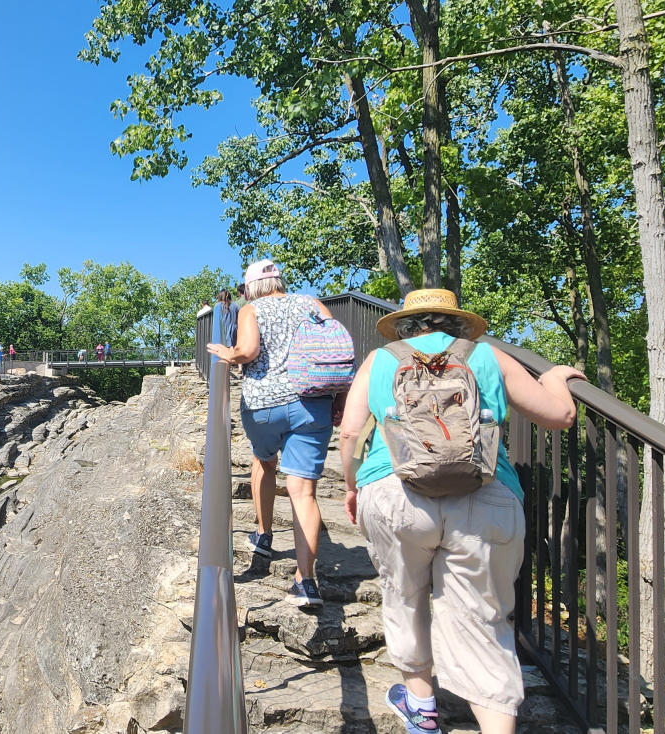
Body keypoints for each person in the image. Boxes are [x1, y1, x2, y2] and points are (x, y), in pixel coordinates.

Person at [338, 289, 584, 734]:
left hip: (395, 492)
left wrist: (354, 486)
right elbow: (560, 415)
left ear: (405, 326)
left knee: (404, 594)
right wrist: (555, 377)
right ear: (457, 323)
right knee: (481, 616)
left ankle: (421, 705)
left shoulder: (379, 360)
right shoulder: (487, 355)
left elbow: (350, 433)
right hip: (484, 493)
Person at [206, 259, 335, 609]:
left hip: (265, 407)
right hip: (313, 404)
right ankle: (306, 581)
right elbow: (336, 348)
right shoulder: (312, 304)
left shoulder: (252, 309)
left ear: (251, 288)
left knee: (264, 461)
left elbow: (248, 351)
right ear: (280, 282)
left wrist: (229, 353)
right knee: (304, 491)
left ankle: (264, 535)